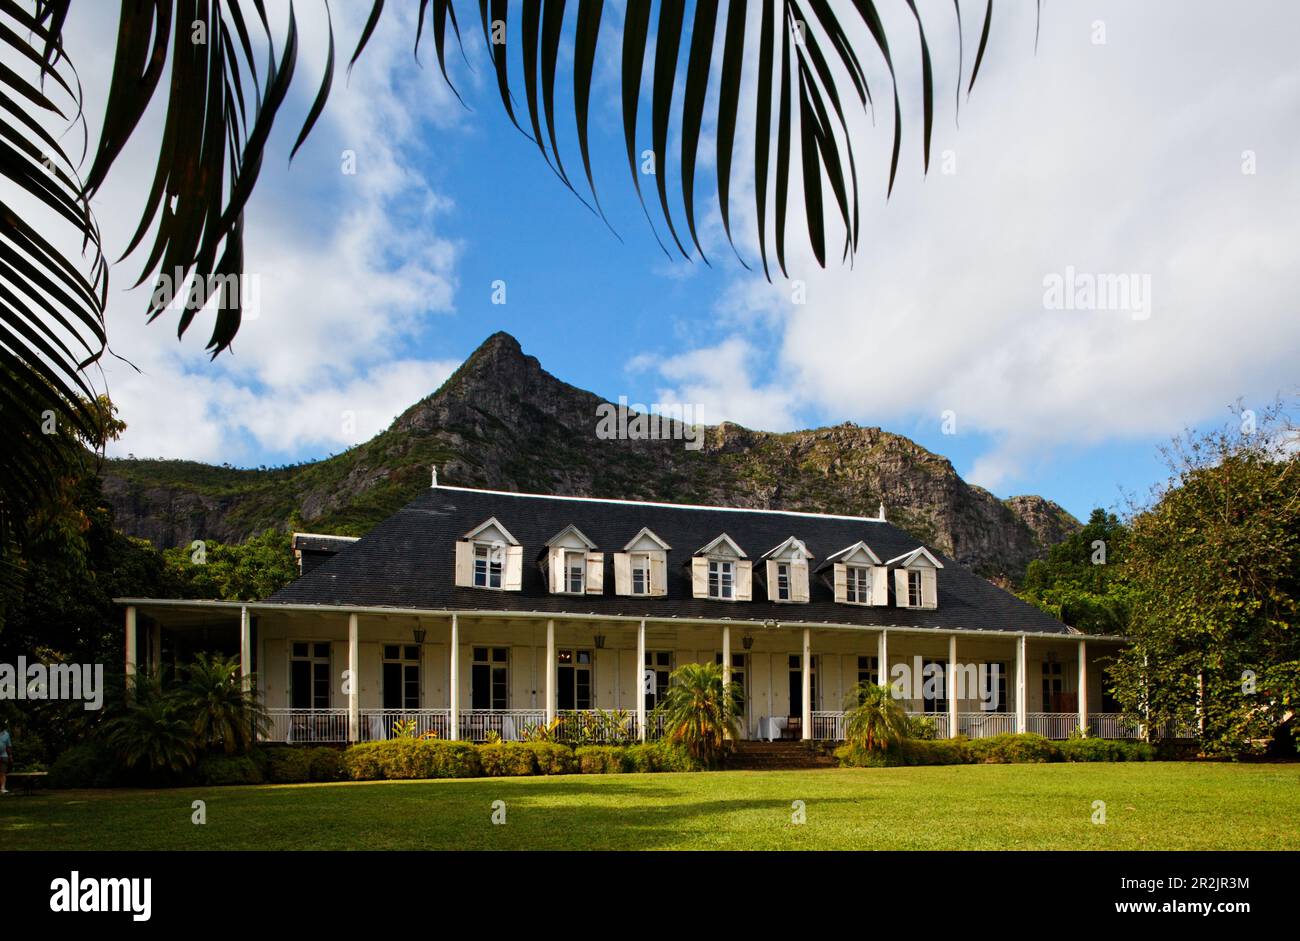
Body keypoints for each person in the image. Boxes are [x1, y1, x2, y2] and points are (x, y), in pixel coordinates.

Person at [0, 725, 11, 794]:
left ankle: (2, 788)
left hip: (4, 756)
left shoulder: (6, 734)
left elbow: (8, 746)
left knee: (2, 773)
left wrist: (10, 755)